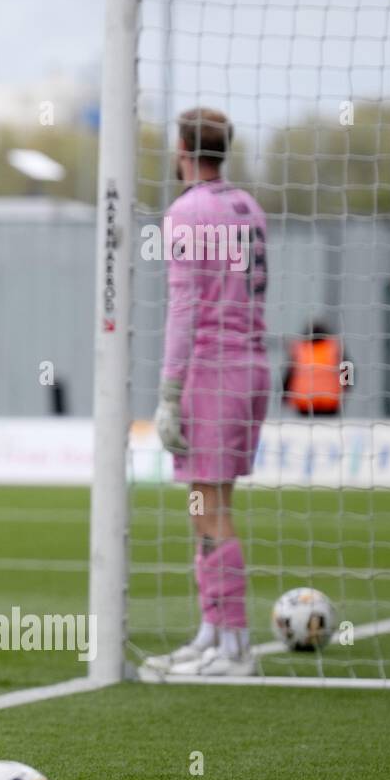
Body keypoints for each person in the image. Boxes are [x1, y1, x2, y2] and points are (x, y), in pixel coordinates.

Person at [146, 107, 269, 678]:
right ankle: (212, 630)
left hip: (211, 371)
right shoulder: (248, 205)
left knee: (210, 506)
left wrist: (169, 389)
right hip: (250, 365)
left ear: (182, 148)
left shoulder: (187, 210)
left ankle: (236, 644)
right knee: (205, 503)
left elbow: (185, 307)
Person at [283, 320, 346, 416]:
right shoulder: (334, 347)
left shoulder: (299, 349)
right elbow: (348, 368)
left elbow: (290, 373)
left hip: (305, 400)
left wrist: (284, 393)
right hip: (330, 400)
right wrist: (346, 387)